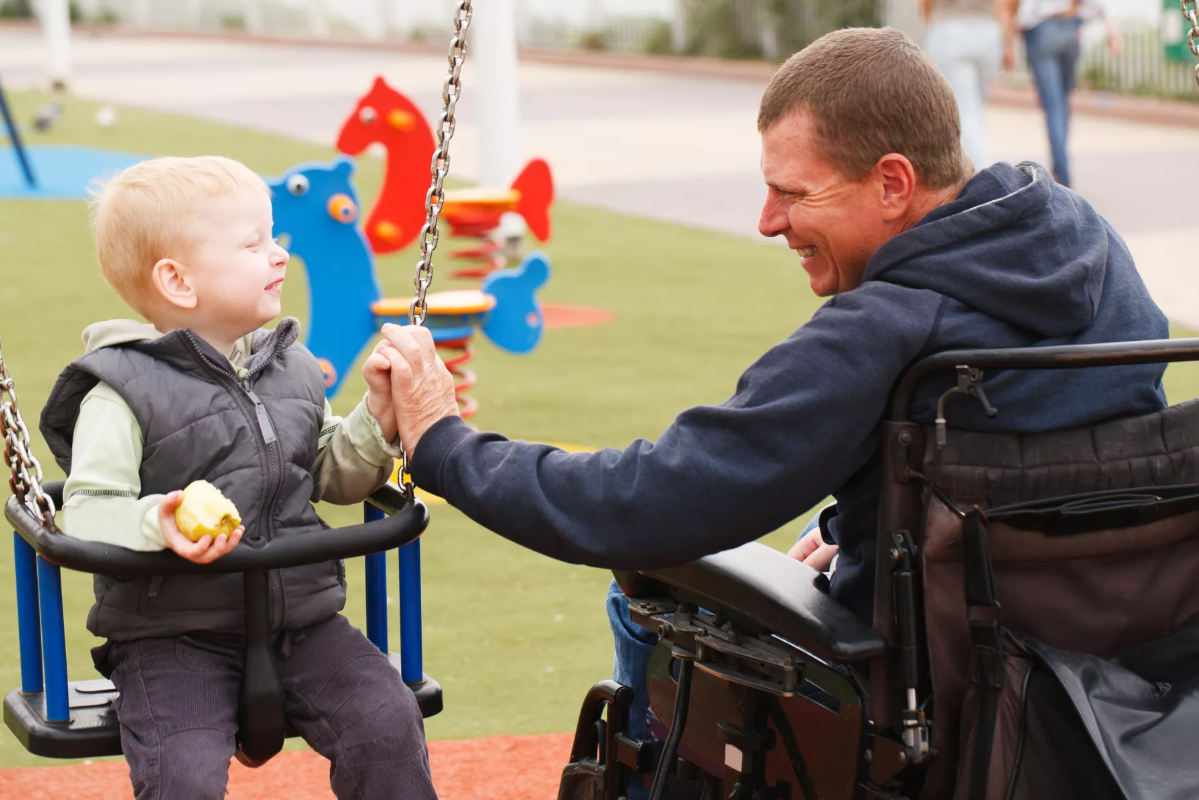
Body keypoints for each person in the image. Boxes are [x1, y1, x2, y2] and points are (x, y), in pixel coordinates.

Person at [379, 25, 1166, 795]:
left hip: (921, 683)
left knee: (641, 592)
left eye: (792, 193)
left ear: (892, 183)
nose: (766, 221)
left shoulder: (883, 330)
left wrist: (445, 442)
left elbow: (648, 504)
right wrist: (863, 526)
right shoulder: (1090, 251)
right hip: (1106, 656)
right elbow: (1061, 454)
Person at [38, 156, 436, 800]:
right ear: (177, 280)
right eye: (254, 243)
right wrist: (157, 519)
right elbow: (86, 509)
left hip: (302, 620)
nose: (280, 254)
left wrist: (378, 416)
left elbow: (334, 475)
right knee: (183, 778)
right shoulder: (118, 392)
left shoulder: (294, 367)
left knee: (386, 725)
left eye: (274, 237)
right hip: (171, 637)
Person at [1003, 0, 1123, 187]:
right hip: (1071, 28)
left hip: (1043, 28)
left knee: (1053, 104)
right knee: (1061, 102)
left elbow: (1019, 8)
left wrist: (1011, 37)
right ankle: (1061, 167)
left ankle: (1062, 173)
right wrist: (1113, 33)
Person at [923, 0, 1004, 170]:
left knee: (965, 114)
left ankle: (985, 177)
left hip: (949, 27)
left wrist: (931, 24)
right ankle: (971, 171)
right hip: (987, 29)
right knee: (974, 112)